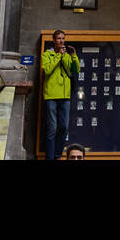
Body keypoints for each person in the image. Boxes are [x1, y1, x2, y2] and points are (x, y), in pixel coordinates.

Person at [41, 30, 81, 161]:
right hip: (51, 96)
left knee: (63, 128)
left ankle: (57, 156)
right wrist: (58, 56)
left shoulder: (66, 56)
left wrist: (73, 56)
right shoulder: (47, 55)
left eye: (63, 38)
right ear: (53, 40)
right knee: (52, 128)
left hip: (65, 97)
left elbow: (75, 70)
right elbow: (47, 70)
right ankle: (50, 157)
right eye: (58, 38)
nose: (61, 41)